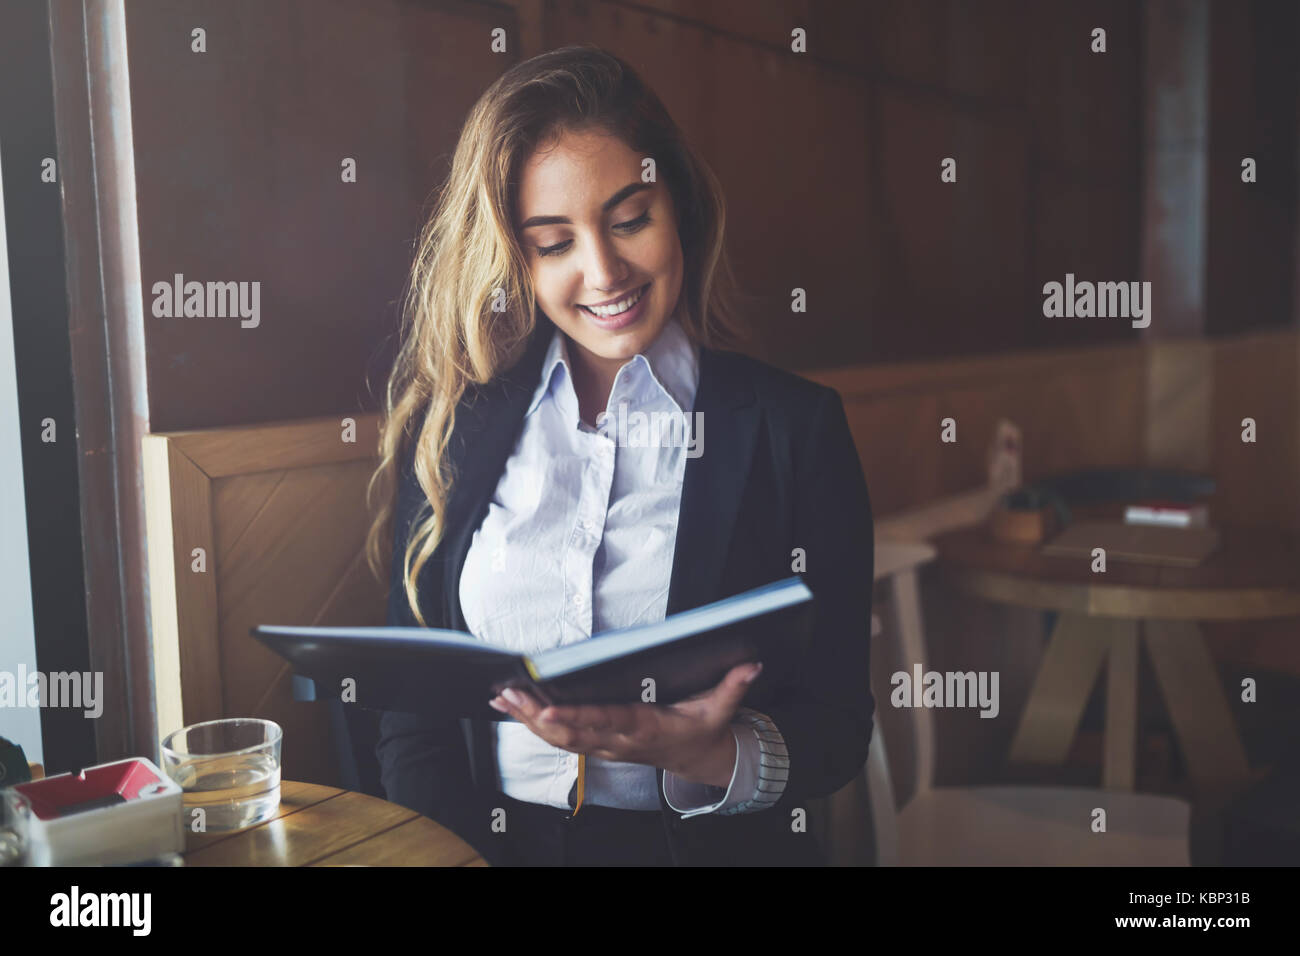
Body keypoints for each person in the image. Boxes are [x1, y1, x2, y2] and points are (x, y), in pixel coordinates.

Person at [364, 45, 874, 867]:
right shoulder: (452, 422)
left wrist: (702, 751)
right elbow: (411, 715)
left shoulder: (795, 429)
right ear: (513, 257)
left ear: (677, 204)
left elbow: (840, 729)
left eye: (630, 219)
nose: (603, 273)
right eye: (553, 242)